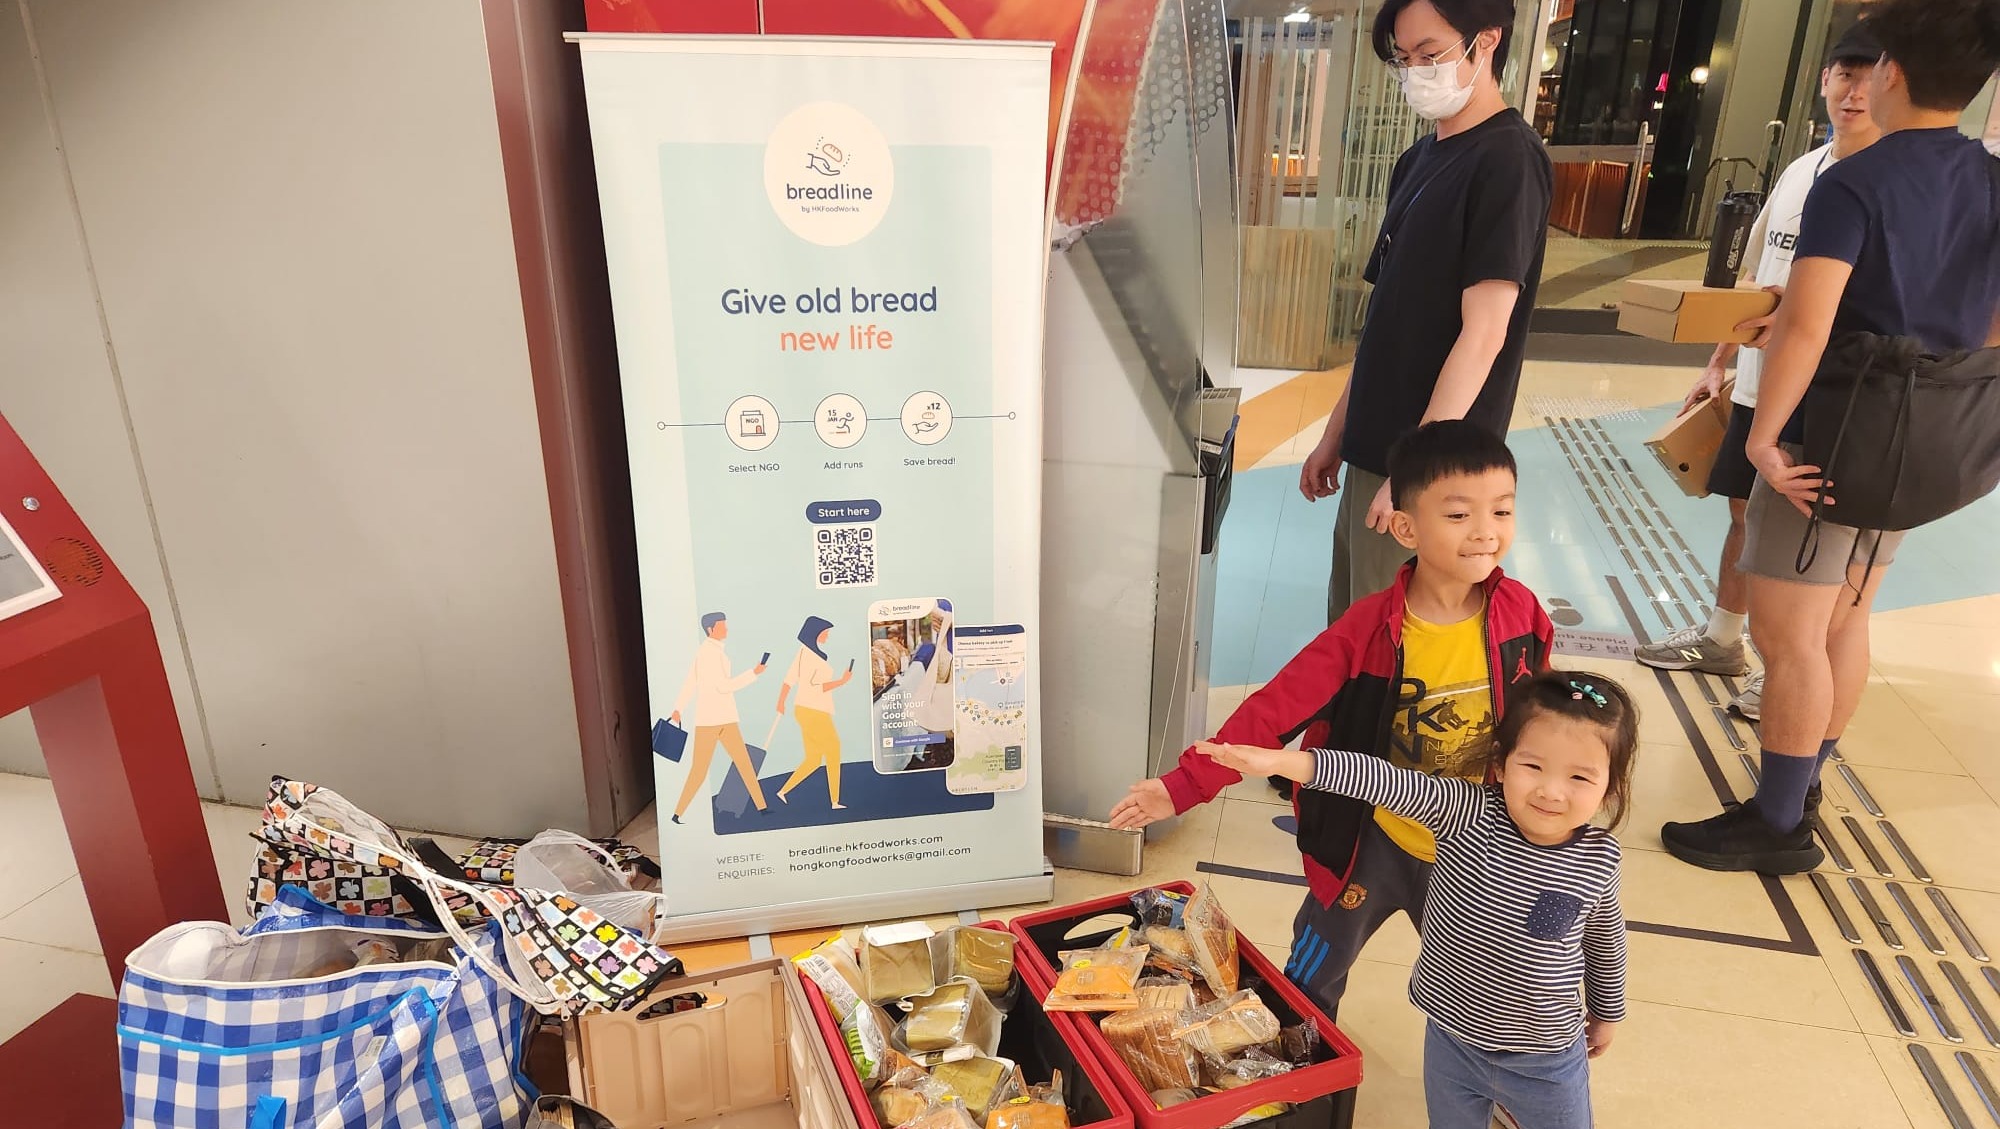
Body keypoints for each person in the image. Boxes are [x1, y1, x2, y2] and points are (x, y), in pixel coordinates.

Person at [1663, 0, 2000, 874]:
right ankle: (1803, 780)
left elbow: (1806, 326)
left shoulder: (1854, 181)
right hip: (1925, 435)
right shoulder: (1991, 178)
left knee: (1789, 633)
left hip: (1836, 436)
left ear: (1890, 71)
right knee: (1848, 620)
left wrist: (1767, 439)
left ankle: (1778, 824)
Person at [1110, 420, 1553, 1019]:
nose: (1485, 533)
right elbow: (1273, 710)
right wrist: (1183, 786)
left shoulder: (1521, 613)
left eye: (1502, 511)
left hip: (1476, 841)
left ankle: (1503, 1070)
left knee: (1493, 981)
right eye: (1458, 516)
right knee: (1316, 969)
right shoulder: (1367, 630)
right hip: (1371, 838)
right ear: (1405, 527)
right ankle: (1300, 1066)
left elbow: (1544, 717)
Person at [1202, 669, 1637, 1129]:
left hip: (1546, 1061)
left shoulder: (1599, 858)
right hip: (1451, 1042)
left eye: (1579, 777)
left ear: (1610, 786)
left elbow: (1605, 940)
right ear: (1500, 763)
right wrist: (1283, 763)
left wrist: (1608, 1012)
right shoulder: (1465, 812)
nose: (1551, 790)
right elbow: (1381, 779)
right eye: (1533, 766)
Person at [1635, 24, 1885, 728]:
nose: (1853, 91)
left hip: (1826, 404)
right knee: (1743, 515)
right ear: (1824, 80)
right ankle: (1722, 638)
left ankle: (1790, 680)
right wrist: (1717, 361)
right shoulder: (1803, 170)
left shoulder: (1888, 188)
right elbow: (1758, 278)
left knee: (1804, 556)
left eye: (1870, 76)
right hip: (1756, 388)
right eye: (1843, 73)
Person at [1298, 0, 1552, 628]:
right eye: (1404, 60)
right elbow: (1385, 323)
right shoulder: (1419, 160)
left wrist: (1415, 475)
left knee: (1401, 647)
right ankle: (1348, 732)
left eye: (1431, 54)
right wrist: (1338, 433)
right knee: (1355, 627)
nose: (1416, 72)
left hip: (1434, 468)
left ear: (1485, 42)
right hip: (1381, 450)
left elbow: (1485, 332)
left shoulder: (1507, 160)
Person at [667, 612, 769, 824]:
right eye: (723, 626)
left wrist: (678, 708)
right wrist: (754, 673)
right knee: (730, 765)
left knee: (725, 765)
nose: (727, 630)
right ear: (711, 629)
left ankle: (762, 807)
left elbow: (689, 683)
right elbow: (724, 686)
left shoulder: (706, 652)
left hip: (715, 718)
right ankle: (678, 812)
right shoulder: (711, 654)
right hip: (716, 719)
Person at [777, 616, 856, 808]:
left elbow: (789, 679)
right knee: (834, 749)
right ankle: (835, 801)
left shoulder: (804, 653)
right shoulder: (811, 657)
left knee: (813, 759)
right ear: (815, 634)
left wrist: (782, 701)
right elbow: (816, 687)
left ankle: (782, 791)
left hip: (805, 709)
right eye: (825, 632)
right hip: (814, 711)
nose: (828, 636)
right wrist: (842, 681)